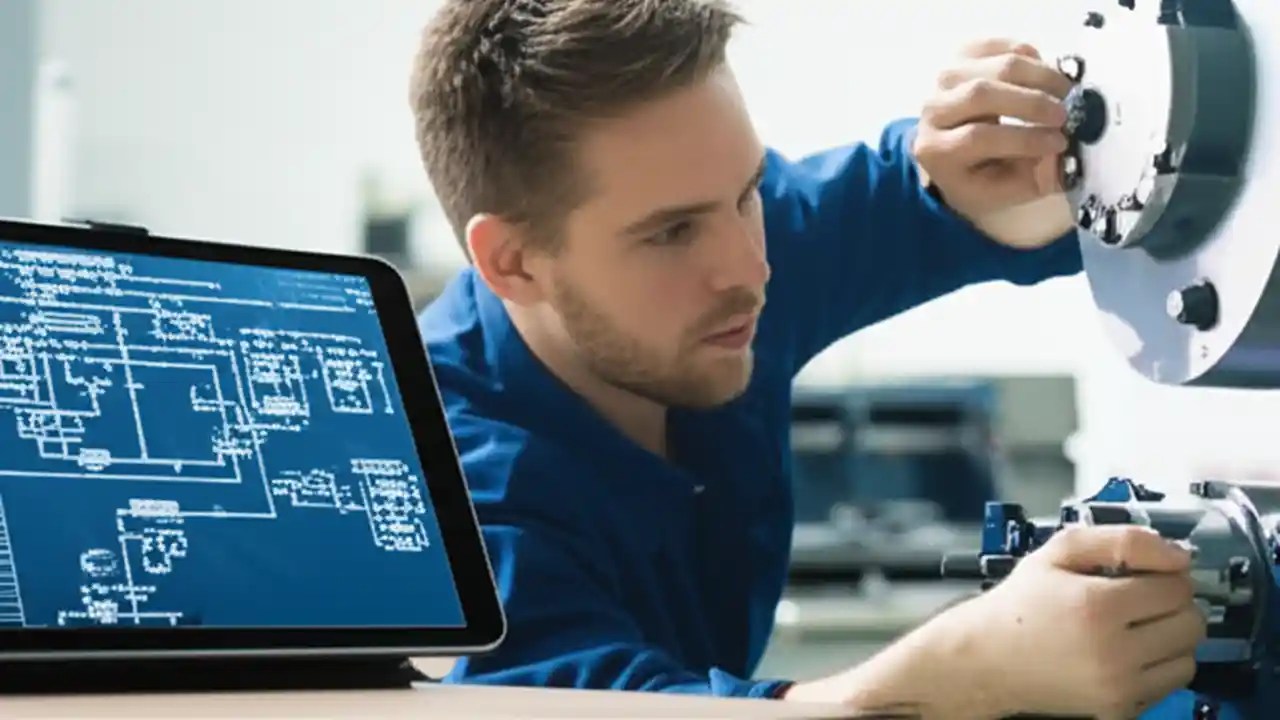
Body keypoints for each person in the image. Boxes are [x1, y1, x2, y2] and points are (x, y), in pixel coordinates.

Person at [407, 1, 1206, 717]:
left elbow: (935, 196)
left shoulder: (722, 253)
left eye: (748, 192)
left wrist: (1022, 151)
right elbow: (608, 711)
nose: (751, 268)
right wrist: (963, 677)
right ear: (513, 262)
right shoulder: (448, 502)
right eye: (672, 233)